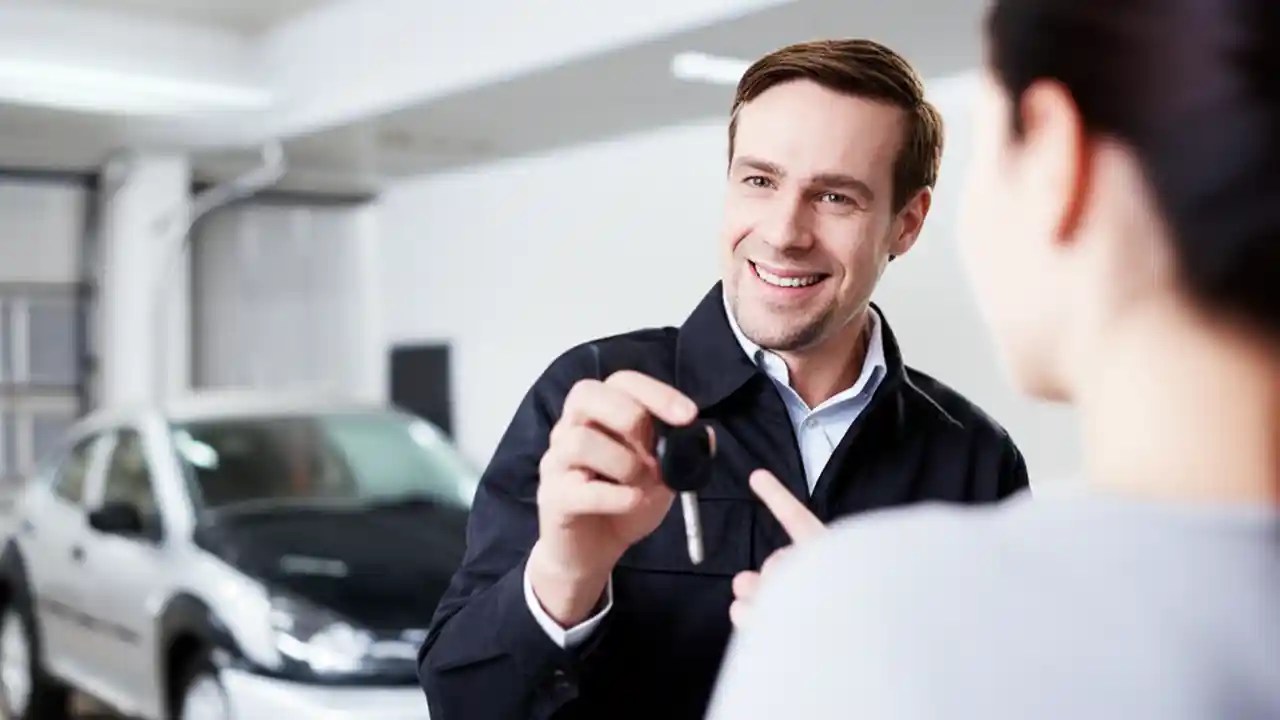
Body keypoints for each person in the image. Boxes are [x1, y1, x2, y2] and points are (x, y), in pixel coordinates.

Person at [418, 39, 1030, 720]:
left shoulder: (977, 460)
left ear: (906, 225)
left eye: (834, 196)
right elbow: (460, 699)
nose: (783, 232)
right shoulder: (592, 395)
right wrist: (564, 574)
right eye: (760, 181)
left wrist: (883, 660)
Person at [707, 1, 1280, 718]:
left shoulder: (866, 603)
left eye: (991, 143)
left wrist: (849, 627)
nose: (787, 231)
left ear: (1051, 155)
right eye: (758, 180)